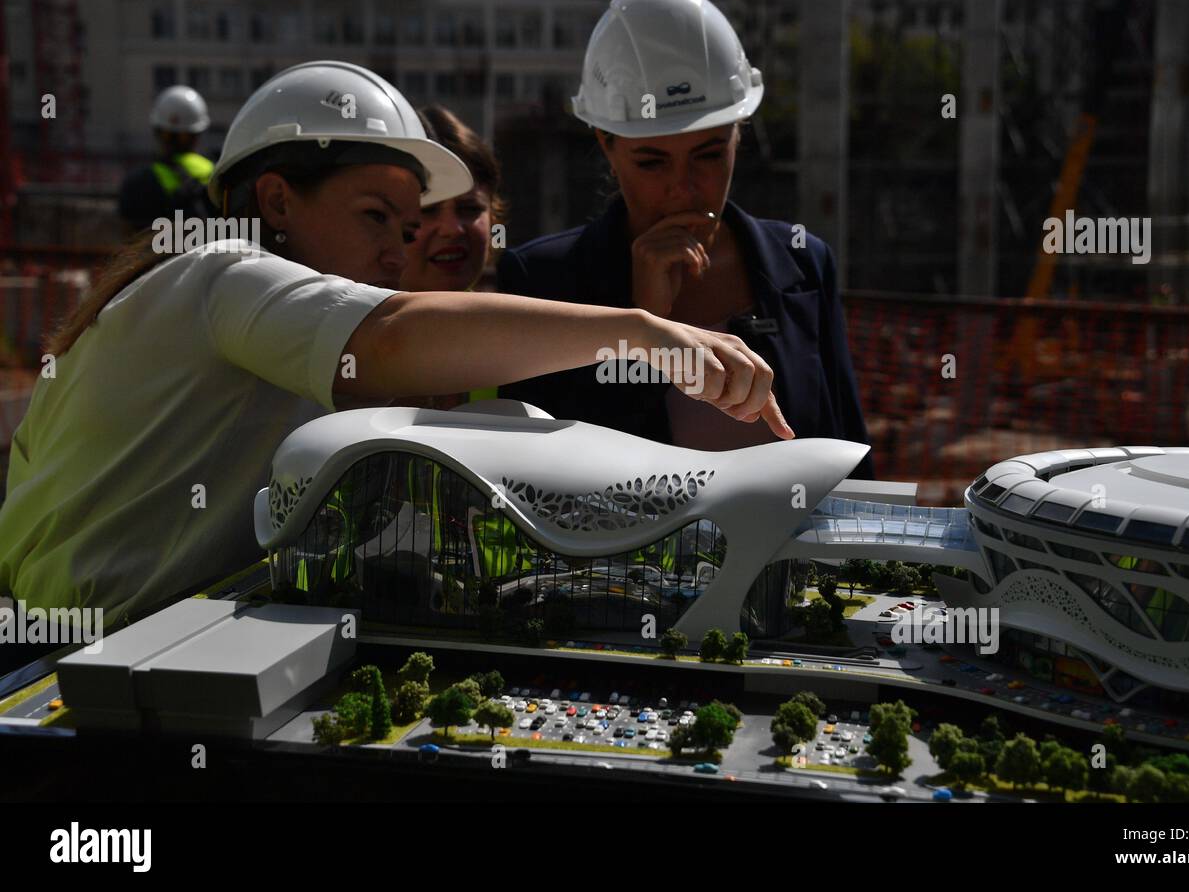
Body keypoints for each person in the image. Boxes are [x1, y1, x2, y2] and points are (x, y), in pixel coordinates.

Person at [0, 60, 791, 636]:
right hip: (64, 684)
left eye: (406, 228)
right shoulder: (219, 277)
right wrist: (640, 332)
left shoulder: (233, 314)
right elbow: (389, 333)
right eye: (377, 216)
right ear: (277, 199)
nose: (396, 250)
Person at [495, 0, 872, 478]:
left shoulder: (803, 263)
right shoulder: (544, 282)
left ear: (739, 135)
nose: (683, 188)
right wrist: (641, 325)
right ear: (606, 145)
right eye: (652, 162)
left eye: (709, 155)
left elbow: (848, 451)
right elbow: (542, 478)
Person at [394, 102, 503, 408]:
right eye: (427, 211)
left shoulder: (522, 337)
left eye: (470, 210)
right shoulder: (341, 338)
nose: (452, 229)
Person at [117, 85, 218, 231]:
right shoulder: (216, 175)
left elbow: (128, 234)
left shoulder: (137, 182)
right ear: (198, 134)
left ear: (157, 132)